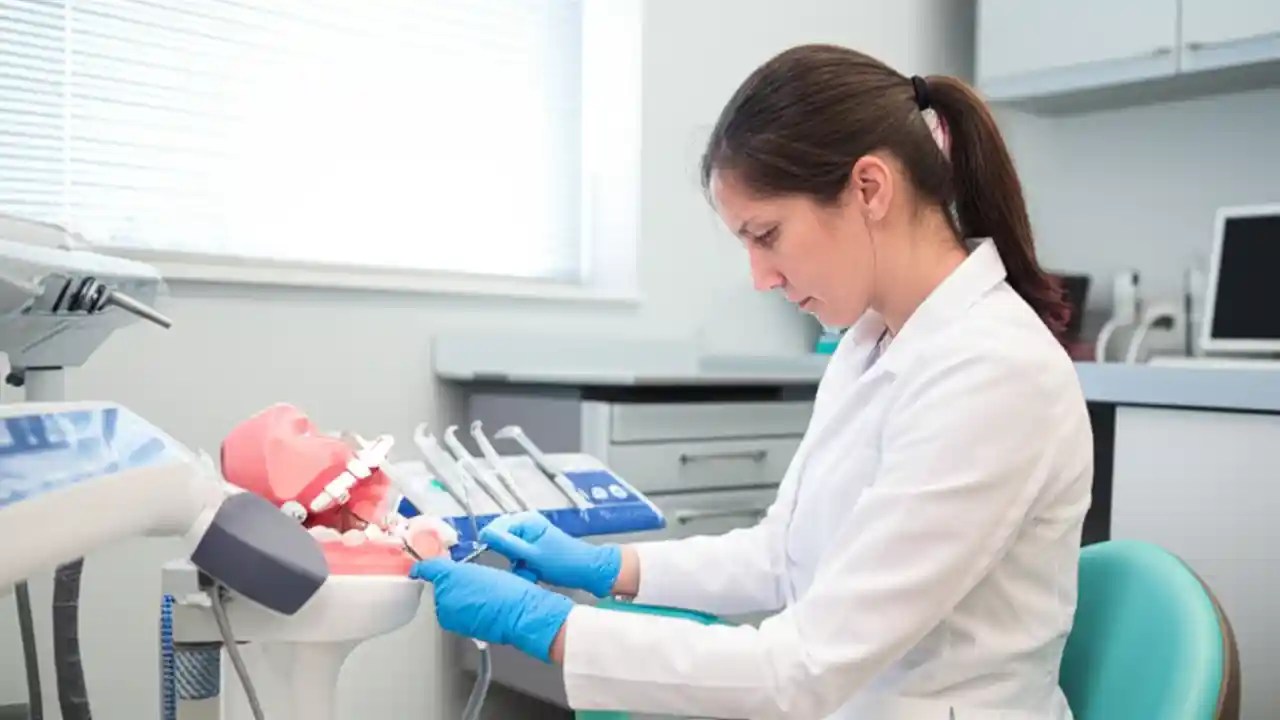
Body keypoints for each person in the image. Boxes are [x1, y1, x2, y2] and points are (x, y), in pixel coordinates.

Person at [413, 43, 1093, 720]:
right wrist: (613, 568)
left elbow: (801, 668)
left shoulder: (994, 374)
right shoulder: (873, 344)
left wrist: (552, 627)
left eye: (766, 234)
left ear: (869, 188)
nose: (760, 278)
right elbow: (783, 554)